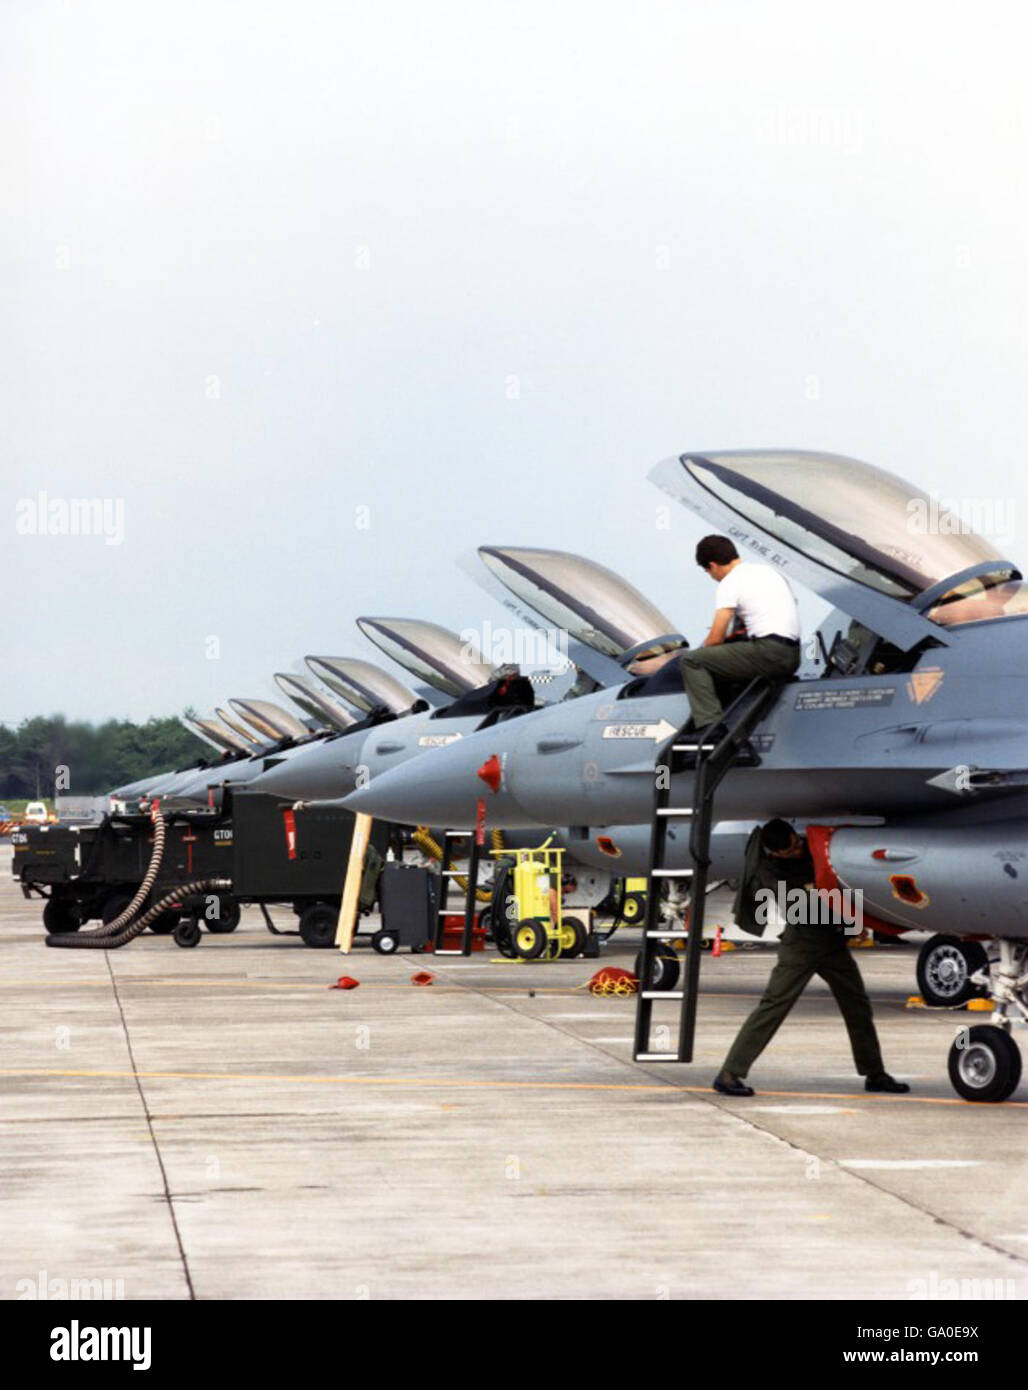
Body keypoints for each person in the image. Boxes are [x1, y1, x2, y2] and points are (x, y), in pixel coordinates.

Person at [713, 818, 909, 1097]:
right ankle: (729, 1073)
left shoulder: (811, 848)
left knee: (857, 1005)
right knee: (774, 1005)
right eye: (790, 850)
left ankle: (874, 1073)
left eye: (796, 843)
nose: (797, 850)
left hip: (832, 942)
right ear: (775, 853)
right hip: (801, 945)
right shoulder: (770, 871)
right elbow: (802, 908)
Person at [677, 536, 802, 735]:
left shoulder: (729, 583)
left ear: (713, 566)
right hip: (793, 656)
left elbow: (715, 639)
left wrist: (703, 653)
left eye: (708, 572)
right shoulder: (768, 572)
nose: (711, 576)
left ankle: (710, 725)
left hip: (768, 653)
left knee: (692, 661)